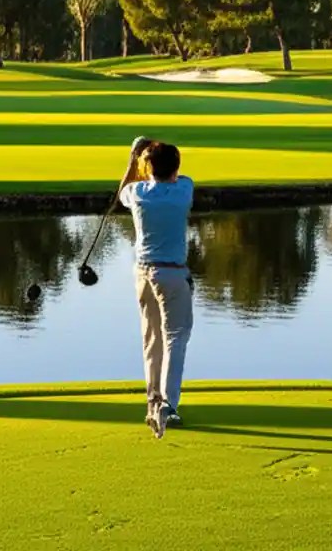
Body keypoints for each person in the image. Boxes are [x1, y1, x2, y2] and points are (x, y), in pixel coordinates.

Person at [119, 136, 194, 439]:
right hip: (173, 275)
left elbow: (123, 188)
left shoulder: (136, 193)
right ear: (175, 168)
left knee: (152, 338)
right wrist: (147, 156)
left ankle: (153, 401)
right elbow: (176, 176)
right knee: (176, 337)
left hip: (143, 273)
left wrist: (133, 157)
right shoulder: (184, 190)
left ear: (148, 165)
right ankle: (168, 404)